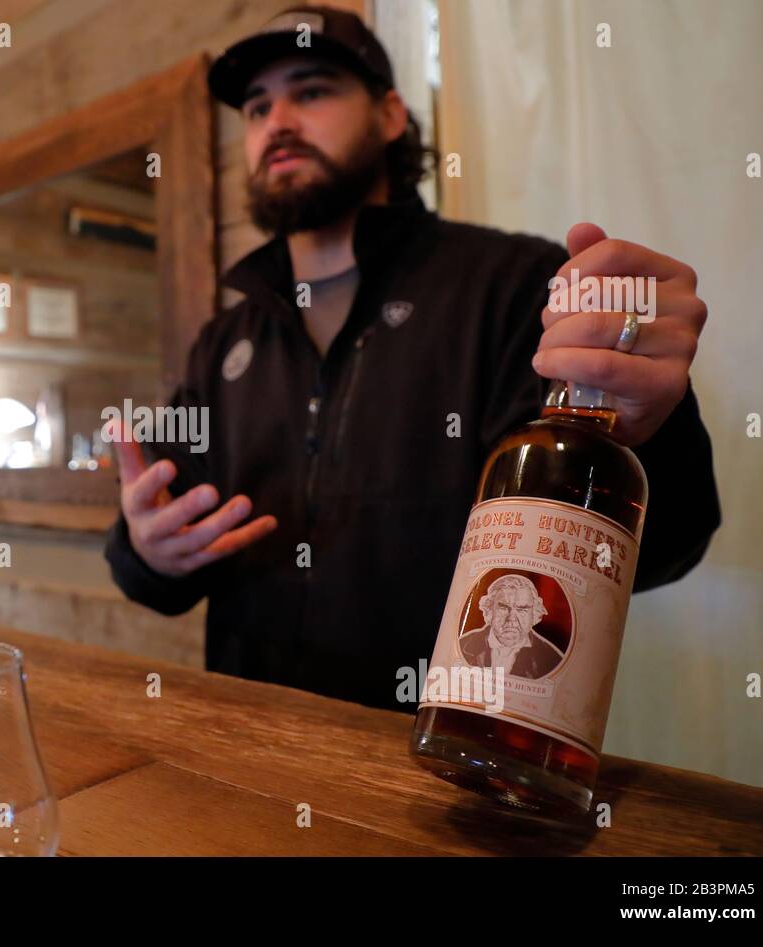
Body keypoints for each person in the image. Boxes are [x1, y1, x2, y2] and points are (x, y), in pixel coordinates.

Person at [104, 6, 720, 710]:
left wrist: (648, 424)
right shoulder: (225, 342)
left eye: (310, 91)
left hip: (451, 770)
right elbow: (163, 549)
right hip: (250, 758)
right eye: (256, 107)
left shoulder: (517, 285)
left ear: (391, 114)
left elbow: (651, 551)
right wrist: (144, 547)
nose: (277, 122)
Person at [458, 574, 562, 680]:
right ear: (489, 609)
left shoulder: (552, 660)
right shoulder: (462, 645)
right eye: (503, 607)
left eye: (522, 609)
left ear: (534, 613)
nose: (512, 618)